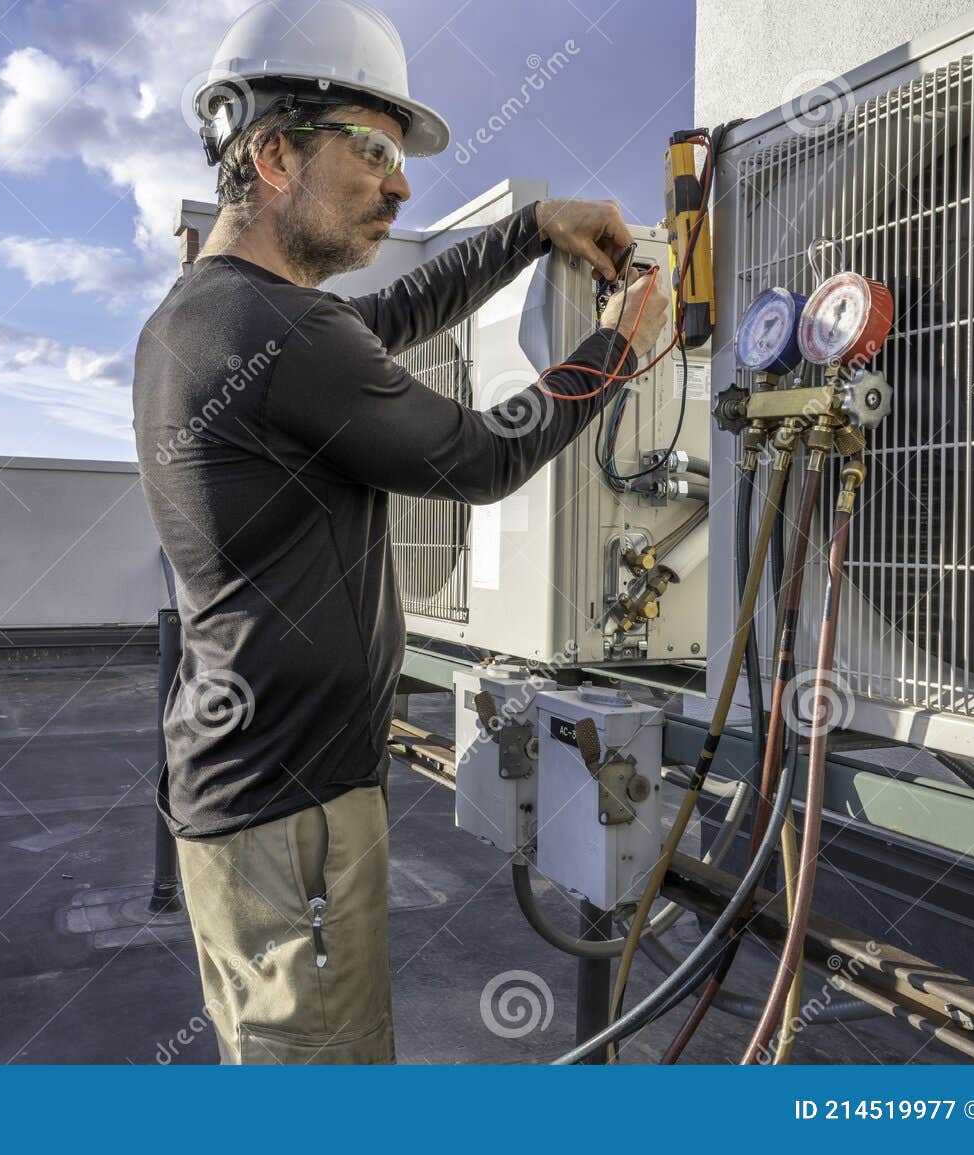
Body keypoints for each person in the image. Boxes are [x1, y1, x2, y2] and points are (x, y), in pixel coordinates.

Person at [132, 0, 668, 1064]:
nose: (401, 182)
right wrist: (618, 349)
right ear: (276, 154)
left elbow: (392, 321)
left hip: (241, 796)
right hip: (294, 821)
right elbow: (477, 455)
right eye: (372, 149)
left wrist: (528, 230)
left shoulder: (209, 316)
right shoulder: (278, 333)